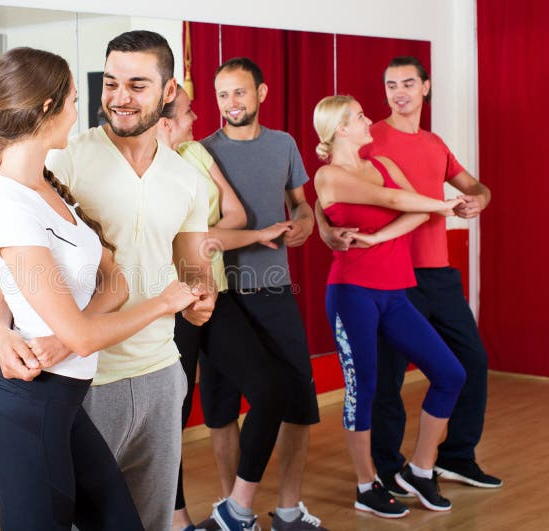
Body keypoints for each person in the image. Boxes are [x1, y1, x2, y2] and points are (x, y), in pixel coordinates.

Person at [0, 31, 216, 530]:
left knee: (146, 521)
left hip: (160, 373)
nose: (119, 97)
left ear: (168, 91)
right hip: (84, 380)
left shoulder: (189, 180)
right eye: (110, 83)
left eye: (137, 85)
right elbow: (5, 264)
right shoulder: (59, 156)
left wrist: (202, 297)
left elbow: (195, 270)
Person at [316, 56, 499, 494]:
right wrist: (326, 231)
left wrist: (479, 199)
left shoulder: (434, 144)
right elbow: (333, 193)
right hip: (391, 275)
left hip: (438, 273)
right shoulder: (370, 136)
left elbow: (472, 188)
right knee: (386, 380)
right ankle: (385, 469)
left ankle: (454, 458)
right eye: (391, 85)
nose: (399, 92)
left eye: (408, 83)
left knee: (470, 363)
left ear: (425, 87)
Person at [157, 88, 294, 531]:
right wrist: (227, 237)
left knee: (271, 391)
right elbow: (192, 239)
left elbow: (234, 215)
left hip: (216, 293)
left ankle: (237, 509)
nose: (197, 117)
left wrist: (212, 236)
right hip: (170, 306)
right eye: (187, 112)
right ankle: (177, 520)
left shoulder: (196, 153)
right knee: (172, 418)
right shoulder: (142, 172)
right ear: (164, 122)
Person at [200, 57, 324, 531]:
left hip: (274, 291)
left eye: (240, 92)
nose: (231, 103)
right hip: (221, 297)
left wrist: (305, 224)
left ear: (261, 93)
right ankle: (237, 511)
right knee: (221, 410)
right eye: (223, 94)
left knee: (298, 402)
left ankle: (289, 512)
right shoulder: (202, 153)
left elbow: (302, 205)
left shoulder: (284, 144)